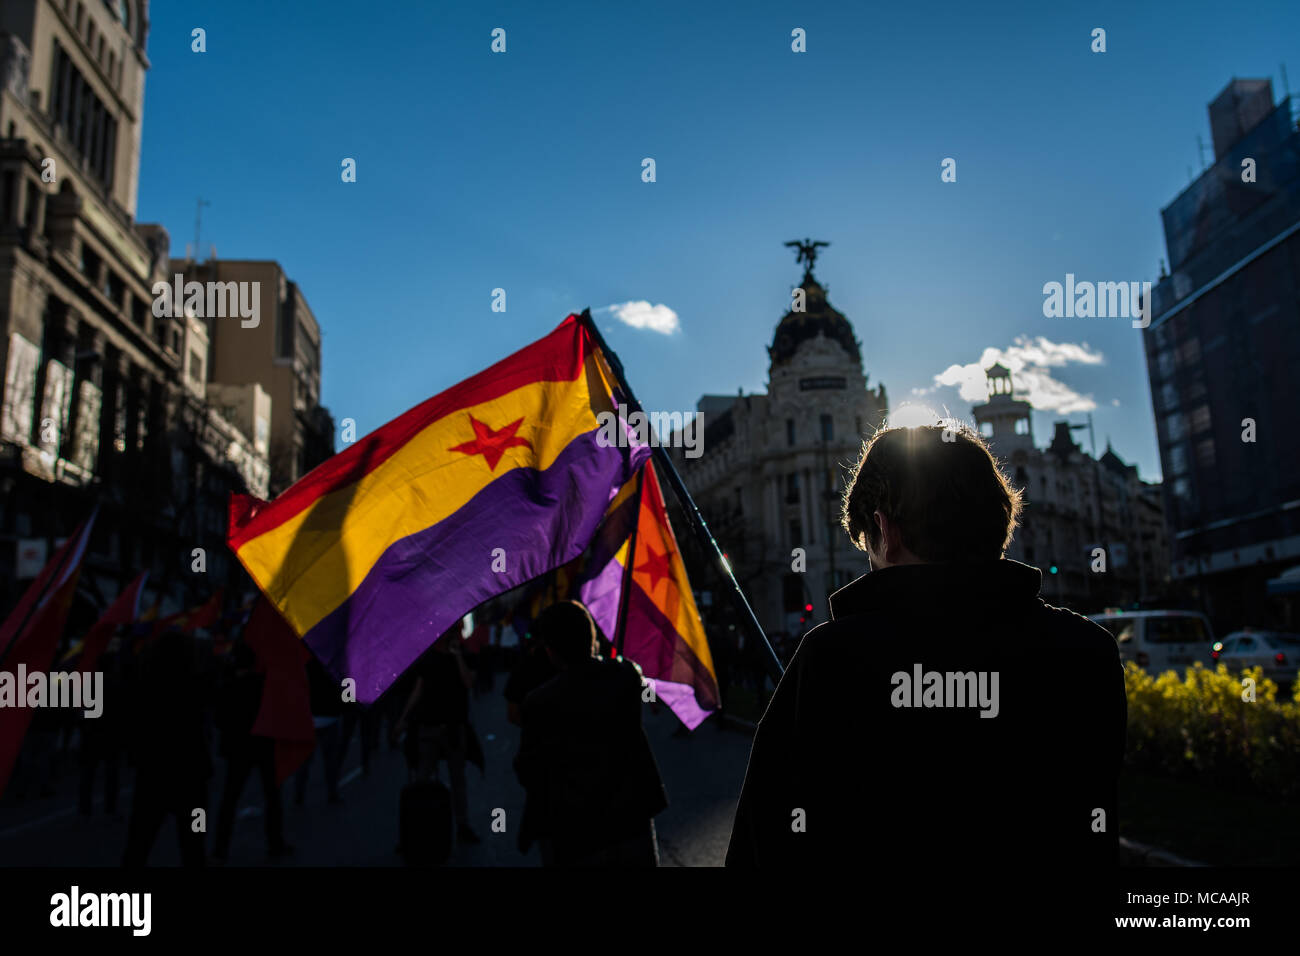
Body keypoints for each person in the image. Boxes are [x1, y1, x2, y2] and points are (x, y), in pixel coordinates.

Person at [726, 423, 1126, 868]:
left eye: (868, 547)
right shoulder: (1087, 652)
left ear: (885, 531)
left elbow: (762, 846)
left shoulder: (832, 660)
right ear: (1000, 524)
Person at [514, 601, 667, 867]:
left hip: (576, 831)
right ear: (591, 637)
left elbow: (529, 771)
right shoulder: (626, 676)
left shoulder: (539, 701)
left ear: (551, 651)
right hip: (631, 820)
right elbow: (631, 672)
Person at [122, 628, 212, 867]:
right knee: (195, 842)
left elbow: (132, 726)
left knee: (138, 842)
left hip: (152, 776)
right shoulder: (196, 683)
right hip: (192, 778)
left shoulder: (143, 685)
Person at [394, 628, 481, 845]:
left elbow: (469, 683)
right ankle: (418, 830)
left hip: (454, 727)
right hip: (428, 726)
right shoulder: (427, 657)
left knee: (457, 779)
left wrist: (458, 655)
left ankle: (462, 825)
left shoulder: (463, 653)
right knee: (422, 778)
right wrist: (403, 719)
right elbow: (418, 690)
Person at [212, 641, 291, 861]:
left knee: (229, 799)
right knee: (272, 796)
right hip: (263, 746)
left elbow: (218, 719)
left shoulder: (227, 686)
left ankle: (220, 848)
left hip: (237, 749)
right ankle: (275, 843)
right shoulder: (263, 685)